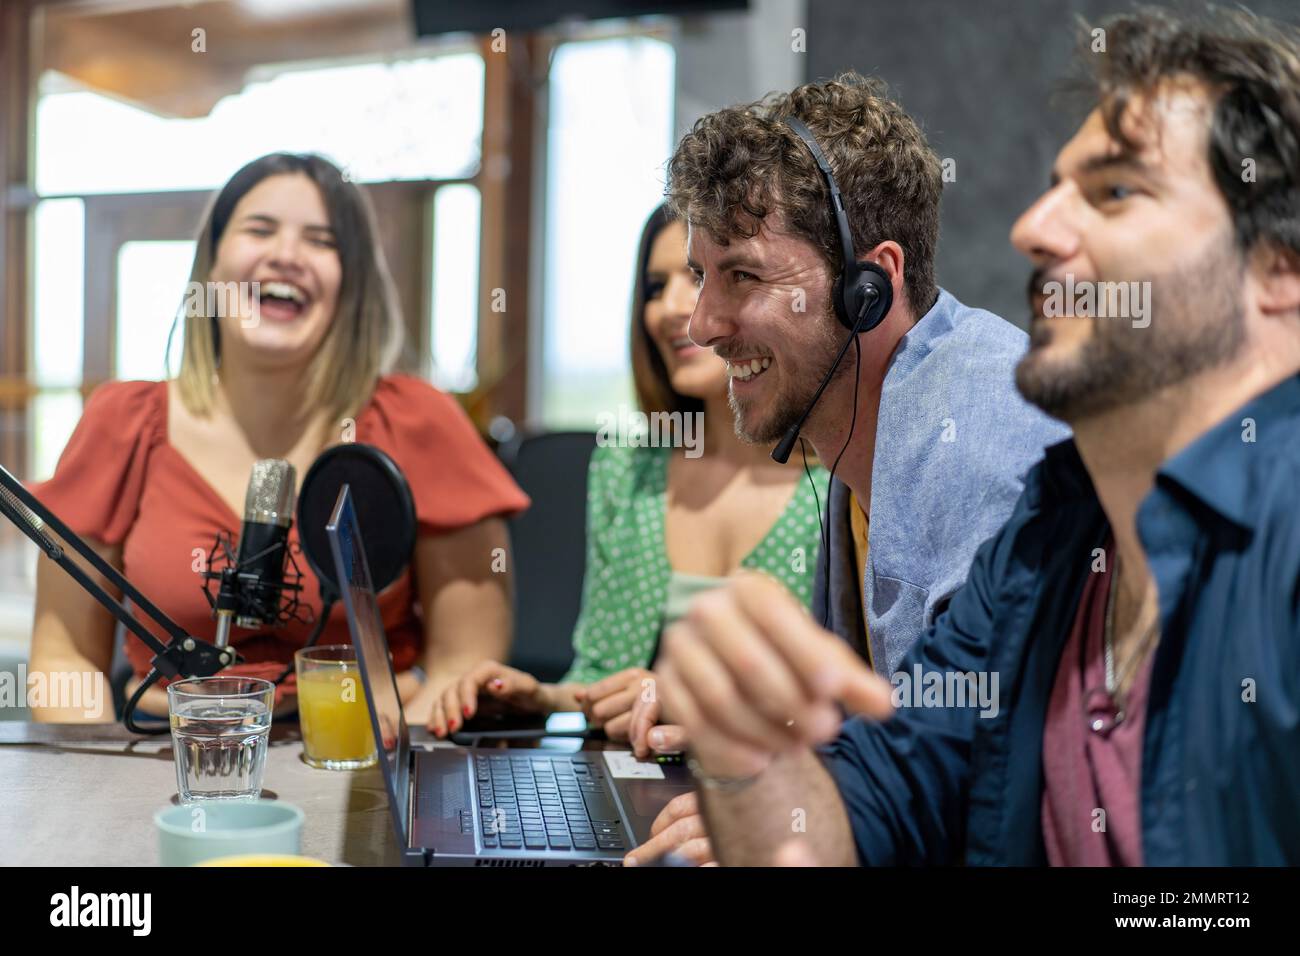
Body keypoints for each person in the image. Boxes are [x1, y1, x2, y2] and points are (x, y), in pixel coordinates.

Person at [655, 5, 1300, 865]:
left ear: (1279, 269)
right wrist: (740, 751)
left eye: (1115, 189)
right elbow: (878, 806)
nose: (1034, 227)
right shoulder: (1050, 538)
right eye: (1059, 186)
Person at [622, 72, 1067, 864]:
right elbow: (908, 731)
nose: (702, 325)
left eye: (744, 276)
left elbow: (974, 785)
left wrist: (794, 812)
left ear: (871, 287)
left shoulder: (970, 441)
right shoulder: (873, 431)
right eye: (700, 275)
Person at [28, 152, 528, 723]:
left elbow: (461, 668)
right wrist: (96, 790)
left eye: (321, 240)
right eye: (259, 230)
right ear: (211, 265)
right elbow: (64, 658)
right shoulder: (122, 421)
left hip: (361, 771)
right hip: (165, 776)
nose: (286, 255)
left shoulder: (417, 421)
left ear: (352, 284)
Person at [425, 204, 829, 739]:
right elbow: (603, 676)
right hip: (631, 785)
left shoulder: (838, 482)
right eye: (655, 286)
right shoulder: (626, 470)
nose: (668, 308)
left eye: (700, 278)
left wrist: (689, 702)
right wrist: (534, 698)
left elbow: (859, 697)